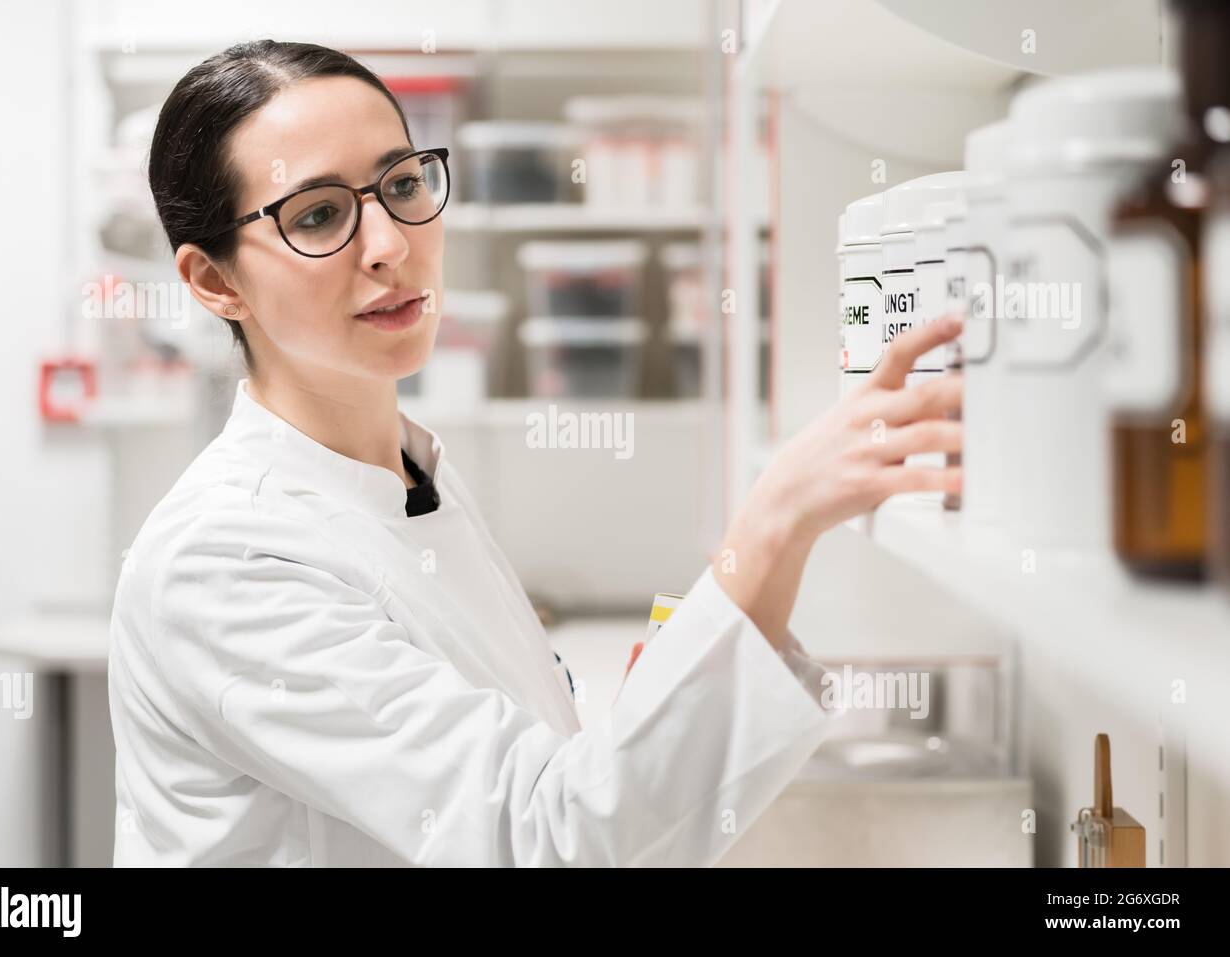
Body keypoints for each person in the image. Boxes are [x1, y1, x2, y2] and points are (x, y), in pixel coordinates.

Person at [108, 39, 962, 867]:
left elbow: (538, 778)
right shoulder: (224, 561)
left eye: (402, 184)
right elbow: (545, 838)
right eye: (320, 214)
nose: (391, 244)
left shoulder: (410, 478)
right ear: (215, 281)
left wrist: (656, 704)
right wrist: (778, 517)